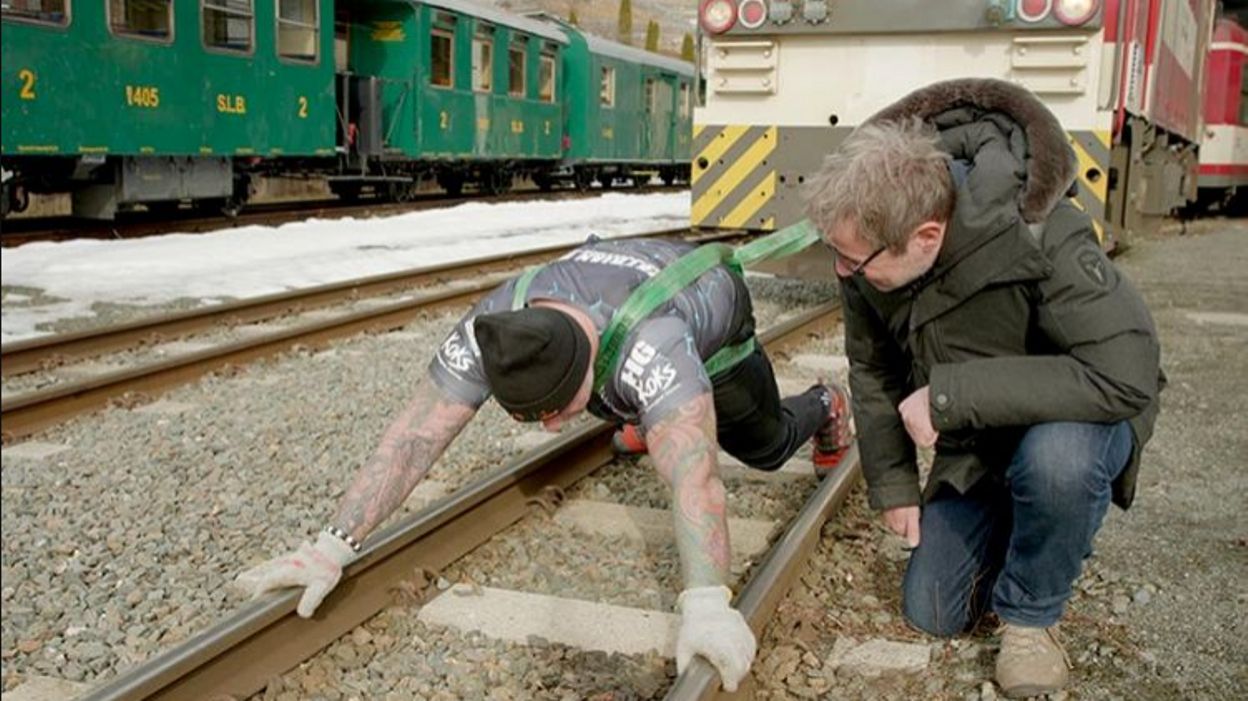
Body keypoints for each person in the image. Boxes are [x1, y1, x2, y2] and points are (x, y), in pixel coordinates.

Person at [234, 235, 853, 691]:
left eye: (561, 411)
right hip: (612, 297)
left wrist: (706, 603)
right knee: (642, 419)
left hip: (705, 308)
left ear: (591, 368)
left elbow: (698, 478)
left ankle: (827, 405)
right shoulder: (494, 325)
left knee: (763, 447)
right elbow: (413, 437)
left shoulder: (654, 349)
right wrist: (332, 545)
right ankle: (644, 418)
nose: (556, 429)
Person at [803, 78, 1163, 698]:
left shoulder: (1043, 229)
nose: (842, 272)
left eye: (853, 263)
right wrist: (894, 484)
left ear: (926, 238)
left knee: (1055, 464)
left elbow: (1124, 375)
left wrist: (950, 397)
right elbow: (875, 370)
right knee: (932, 611)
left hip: (1074, 423)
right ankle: (1033, 520)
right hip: (979, 443)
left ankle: (1031, 618)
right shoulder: (866, 246)